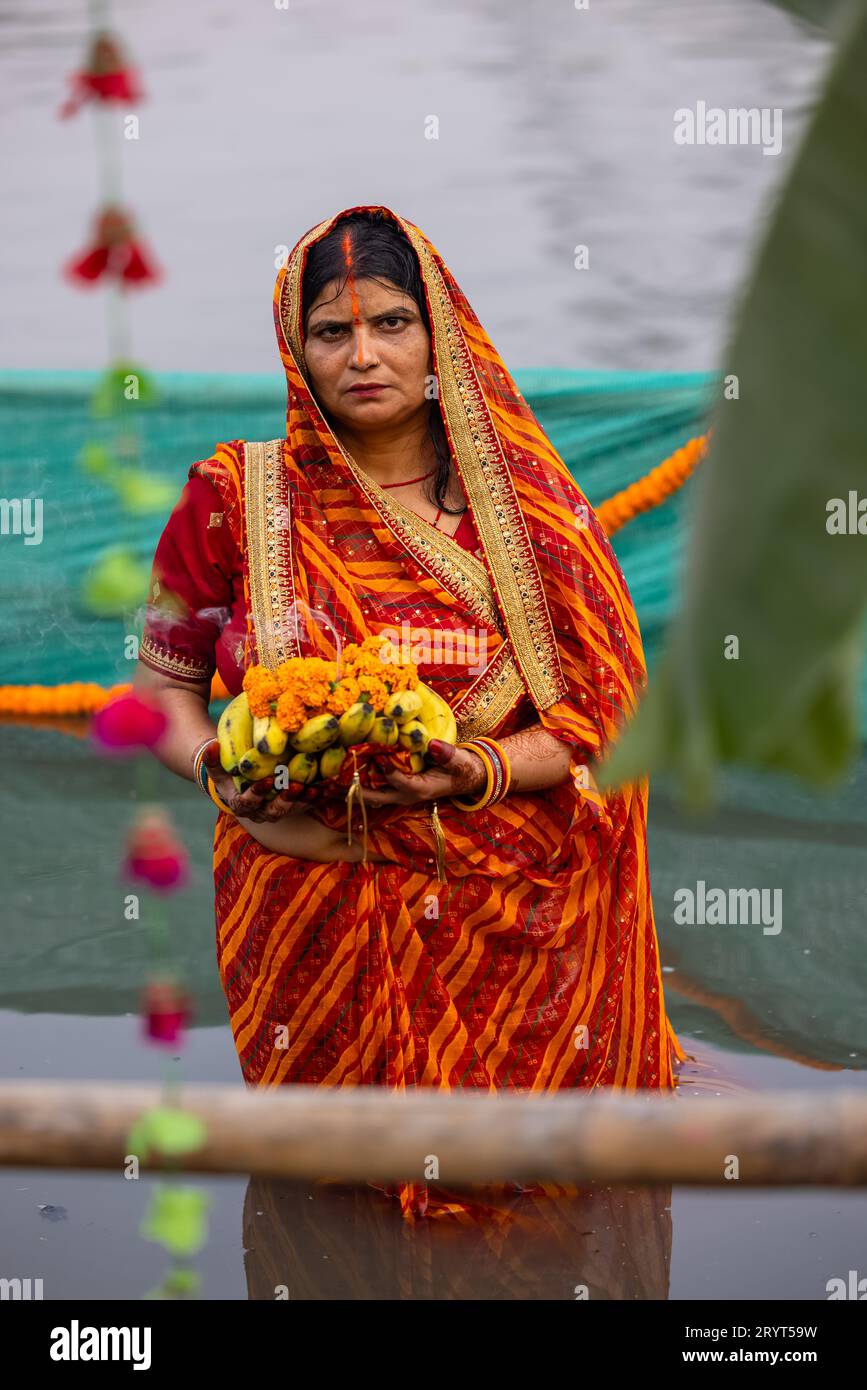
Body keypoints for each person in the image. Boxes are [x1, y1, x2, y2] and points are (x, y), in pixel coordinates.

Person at [136, 204, 685, 1220]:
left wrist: (467, 770)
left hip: (509, 916)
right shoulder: (232, 498)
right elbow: (161, 690)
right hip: (305, 909)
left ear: (440, 335)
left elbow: (604, 720)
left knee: (528, 1205)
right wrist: (220, 768)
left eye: (391, 322)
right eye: (332, 332)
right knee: (333, 1199)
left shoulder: (530, 512)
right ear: (296, 350)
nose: (364, 355)